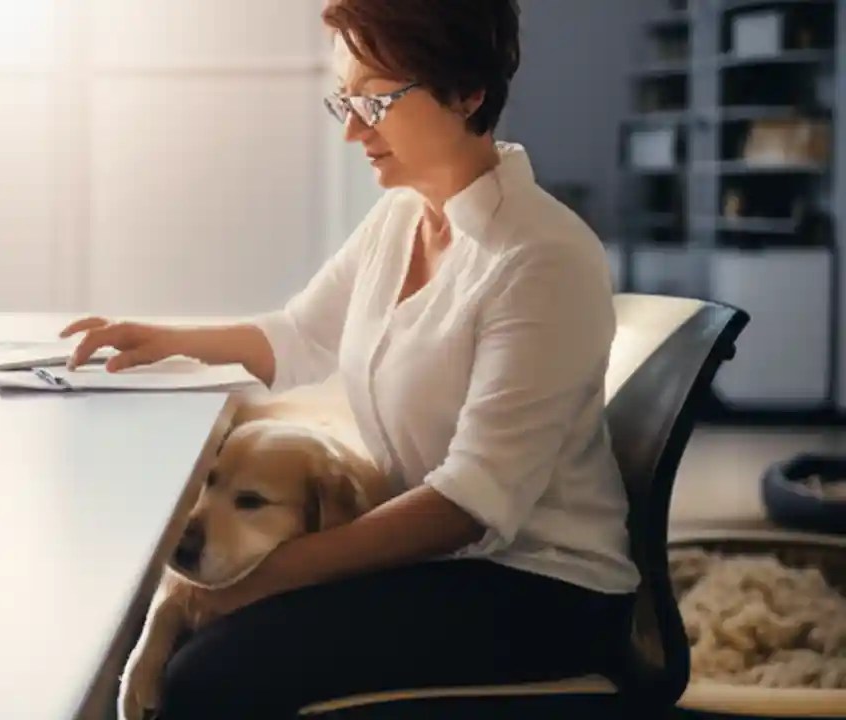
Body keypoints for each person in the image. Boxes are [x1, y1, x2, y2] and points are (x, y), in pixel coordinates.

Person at [62, 1, 639, 716]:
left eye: (377, 100)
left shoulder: (543, 258)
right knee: (181, 621)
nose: (352, 129)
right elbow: (300, 336)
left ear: (467, 92)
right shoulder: (401, 218)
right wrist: (167, 339)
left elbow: (470, 501)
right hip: (439, 558)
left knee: (205, 676)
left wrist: (262, 579)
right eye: (346, 98)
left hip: (538, 587)